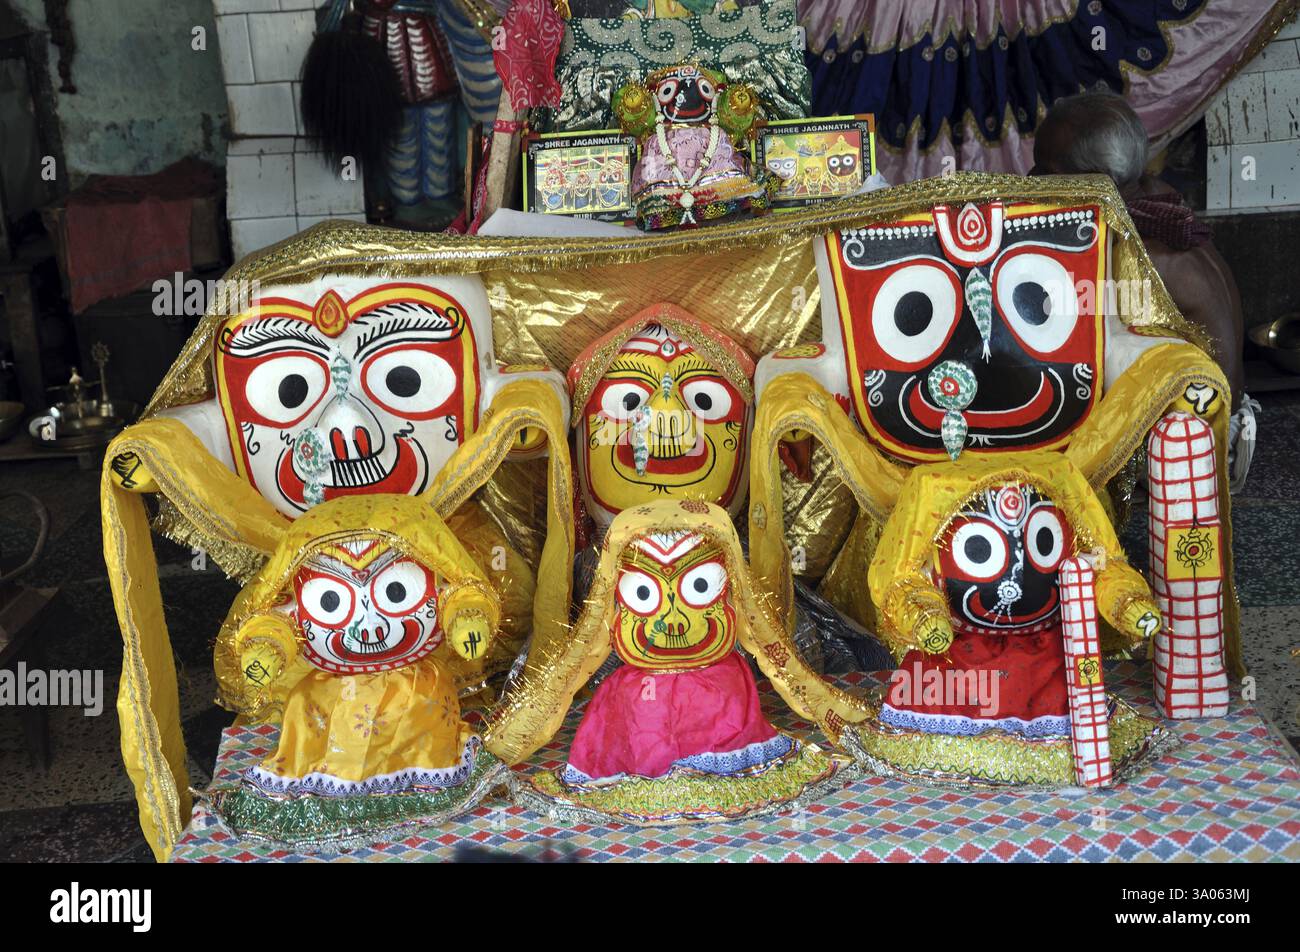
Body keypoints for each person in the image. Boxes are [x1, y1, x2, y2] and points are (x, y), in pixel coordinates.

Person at [1032, 92, 1257, 491]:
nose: (1032, 181)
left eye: (1044, 173)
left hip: (1199, 449)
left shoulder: (1145, 255)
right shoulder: (1150, 198)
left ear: (1097, 180)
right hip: (1216, 425)